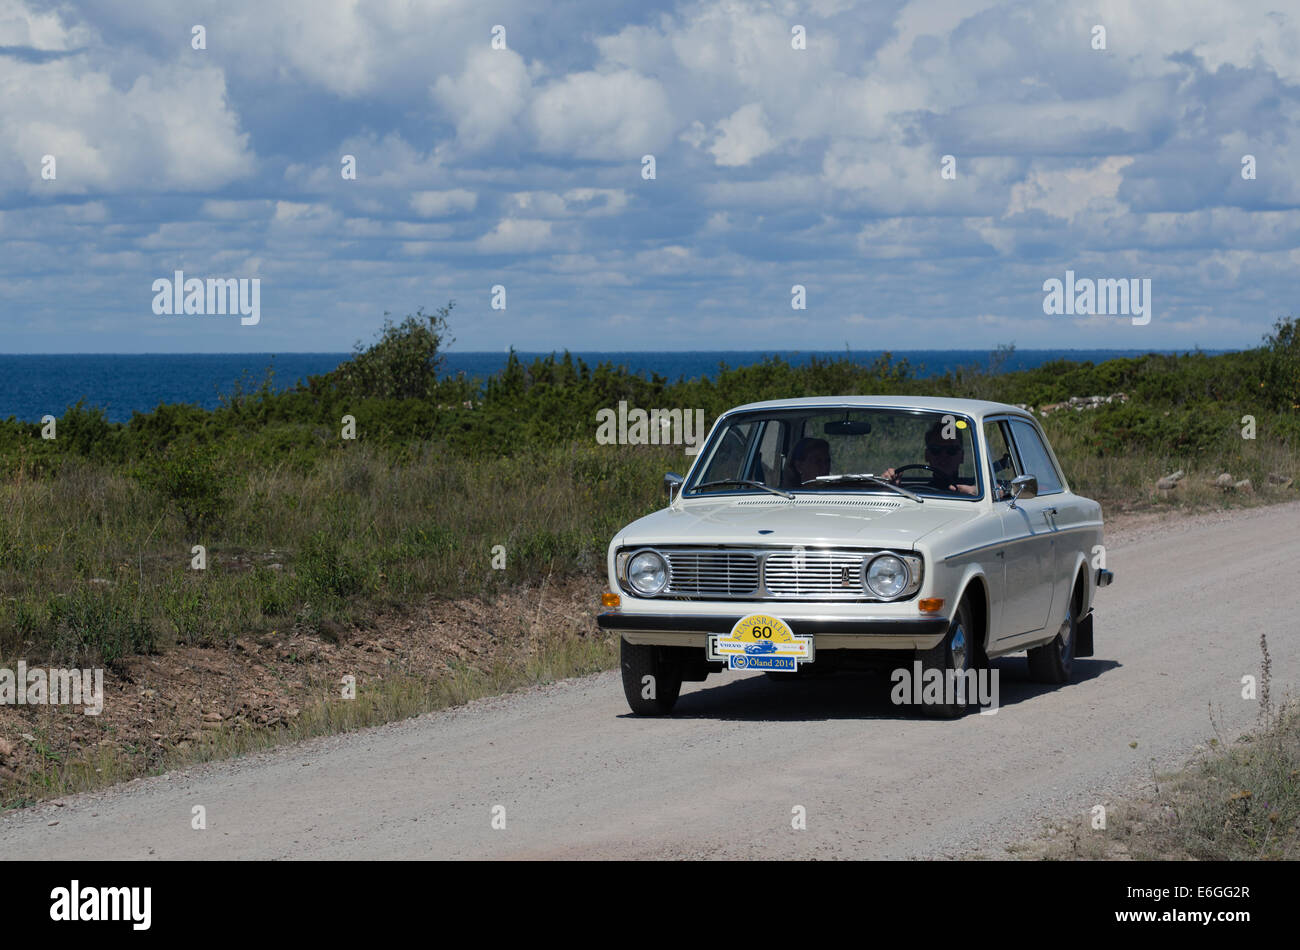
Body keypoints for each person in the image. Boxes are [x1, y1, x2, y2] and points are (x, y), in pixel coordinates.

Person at [882, 421, 978, 495]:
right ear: (927, 455)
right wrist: (889, 487)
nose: (943, 456)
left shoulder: (977, 490)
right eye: (936, 450)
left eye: (951, 450)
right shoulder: (913, 492)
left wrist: (975, 494)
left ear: (962, 456)